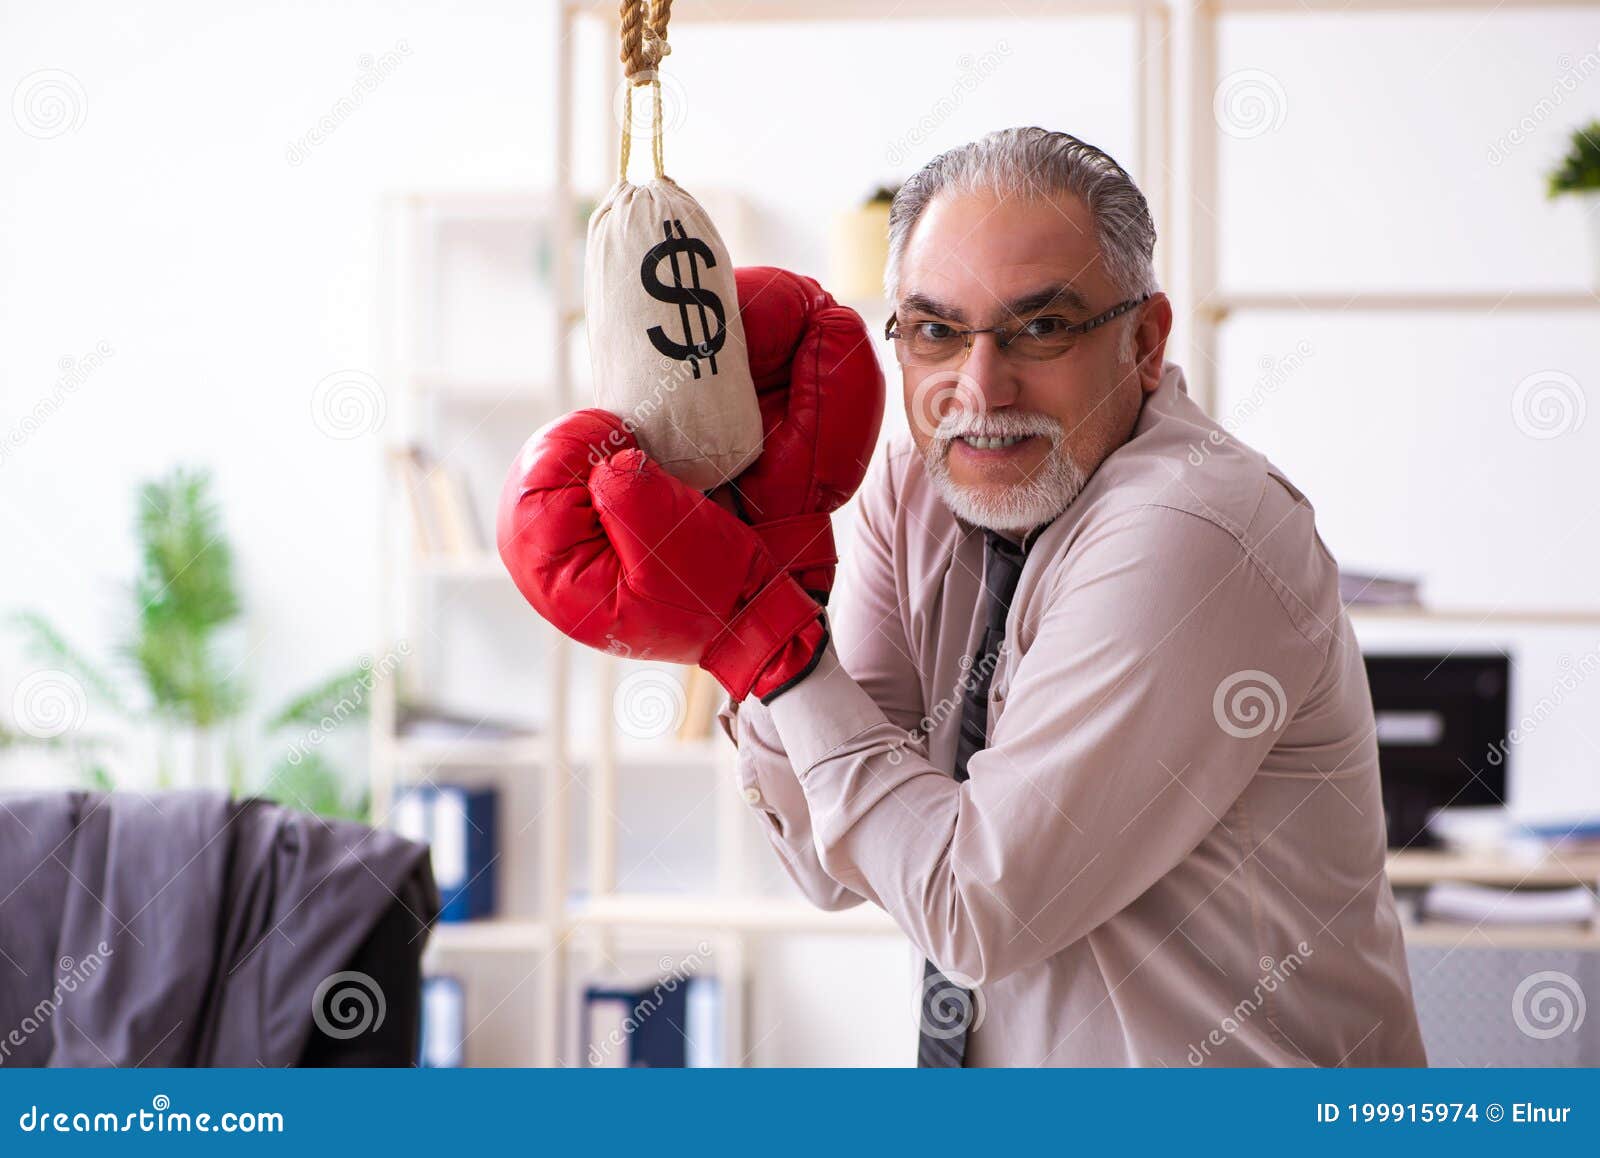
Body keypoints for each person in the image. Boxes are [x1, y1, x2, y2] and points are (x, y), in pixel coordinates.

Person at [499, 126, 1427, 1068]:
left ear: (1144, 343)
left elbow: (971, 907)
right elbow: (837, 861)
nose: (980, 388)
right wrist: (775, 581)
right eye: (936, 331)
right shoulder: (918, 492)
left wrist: (762, 638)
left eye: (1043, 327)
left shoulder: (1192, 533)